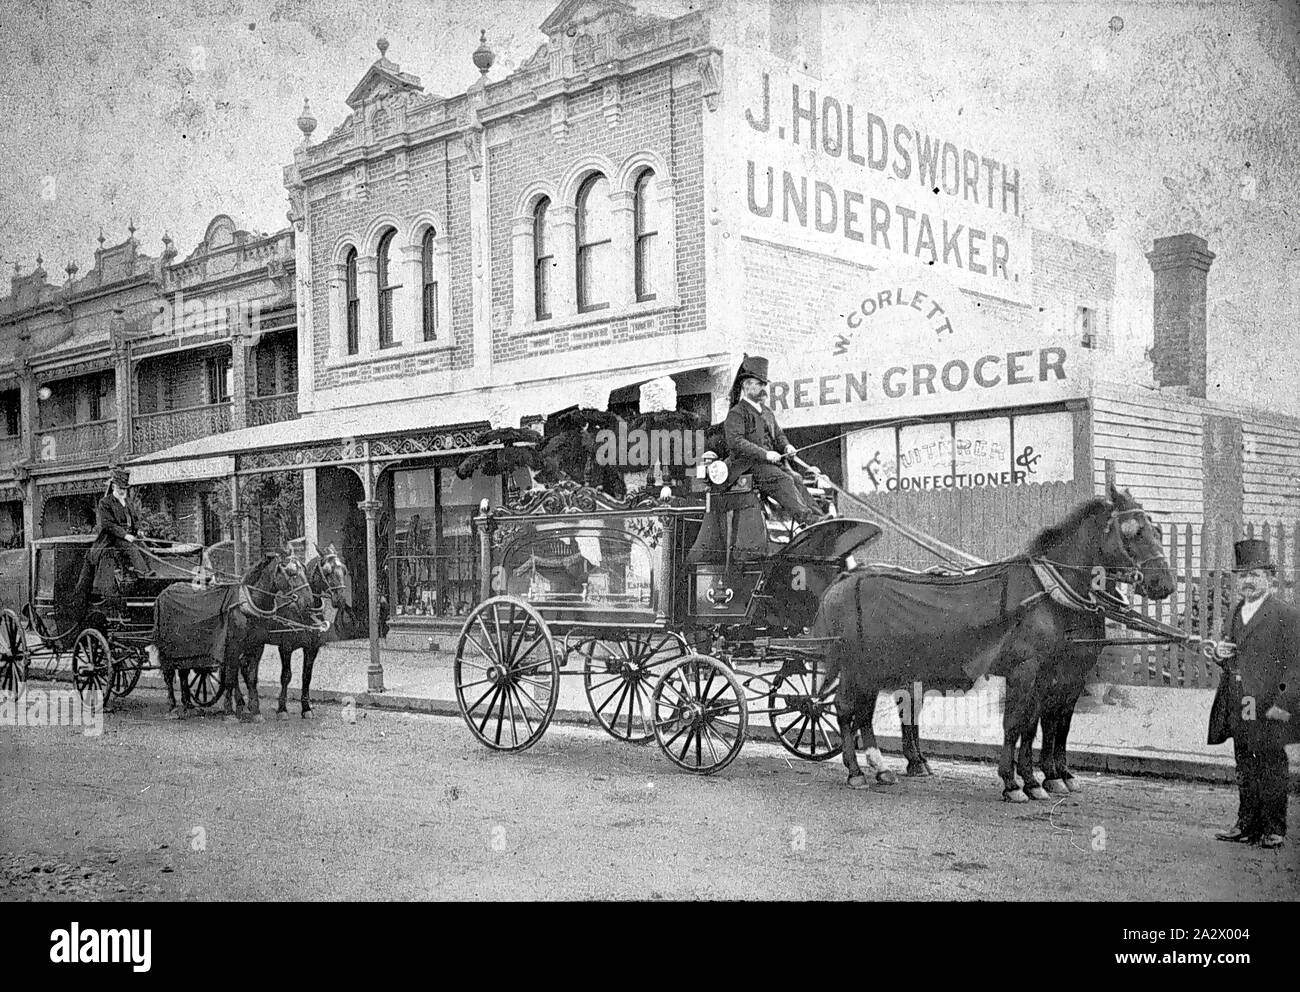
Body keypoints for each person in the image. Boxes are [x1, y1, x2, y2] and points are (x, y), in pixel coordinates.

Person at [1208, 538, 1298, 849]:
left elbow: (1295, 667)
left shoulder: (1286, 614)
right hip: (1240, 702)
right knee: (1245, 763)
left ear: (1270, 579)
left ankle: (1274, 828)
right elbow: (1233, 654)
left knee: (1271, 764)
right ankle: (1246, 823)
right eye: (1243, 575)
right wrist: (1220, 653)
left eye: (1255, 574)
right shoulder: (1237, 612)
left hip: (1270, 705)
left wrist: (1283, 705)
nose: (1248, 580)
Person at [722, 355, 824, 526]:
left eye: (764, 384)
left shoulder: (767, 412)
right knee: (784, 479)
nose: (763, 388)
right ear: (746, 385)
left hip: (769, 466)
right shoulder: (737, 413)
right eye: (759, 383)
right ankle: (807, 519)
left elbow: (779, 436)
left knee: (796, 477)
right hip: (747, 466)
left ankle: (818, 517)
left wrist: (787, 447)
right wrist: (766, 454)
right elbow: (736, 442)